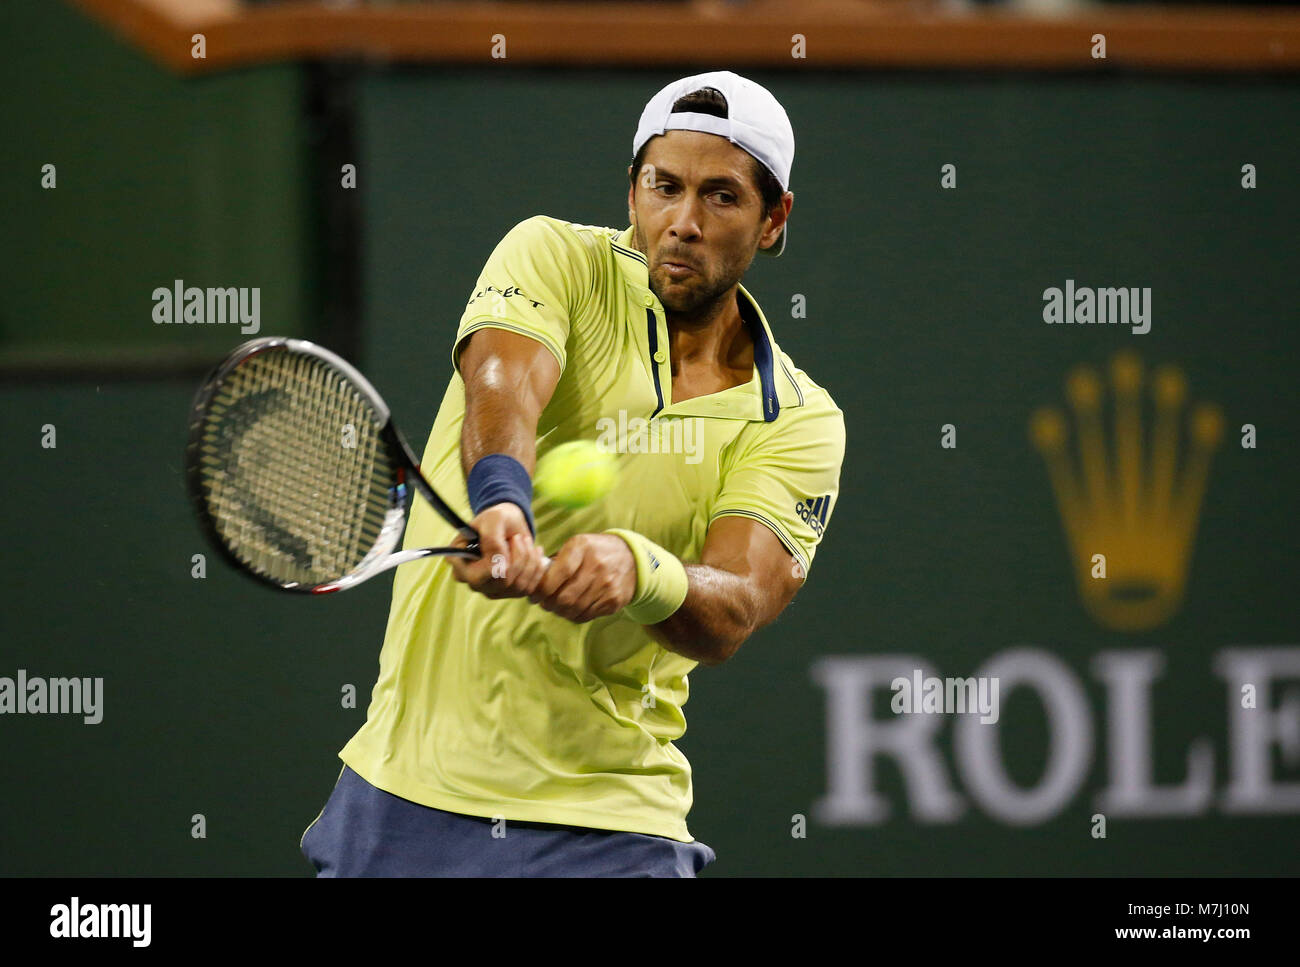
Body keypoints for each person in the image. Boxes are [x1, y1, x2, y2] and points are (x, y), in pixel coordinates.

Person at [300, 69, 845, 877]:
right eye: (664, 186)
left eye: (723, 197)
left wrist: (640, 571)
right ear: (632, 191)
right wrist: (501, 504)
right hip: (407, 798)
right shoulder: (553, 257)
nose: (684, 222)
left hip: (613, 825)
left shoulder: (798, 418)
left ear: (774, 220)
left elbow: (738, 603)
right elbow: (504, 387)